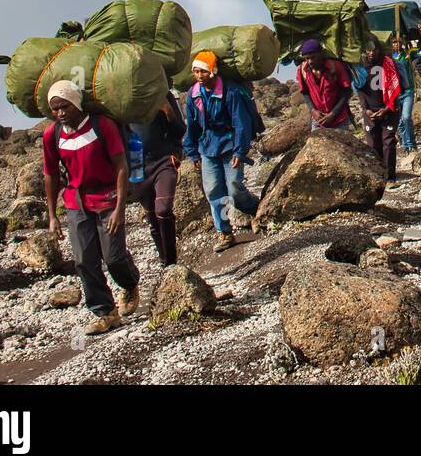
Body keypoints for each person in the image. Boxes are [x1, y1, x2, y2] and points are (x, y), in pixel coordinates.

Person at [41, 80, 139, 336]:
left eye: (65, 107)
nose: (61, 113)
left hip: (107, 199)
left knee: (114, 257)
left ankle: (130, 283)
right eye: (55, 109)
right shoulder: (53, 135)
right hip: (76, 202)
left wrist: (119, 206)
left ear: (77, 103)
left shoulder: (102, 125)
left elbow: (121, 166)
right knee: (84, 260)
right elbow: (50, 175)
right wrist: (52, 216)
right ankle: (105, 312)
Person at [182, 51, 261, 254]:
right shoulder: (193, 94)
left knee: (234, 187)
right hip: (207, 148)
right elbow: (191, 125)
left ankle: (255, 210)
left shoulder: (230, 91)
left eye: (203, 71)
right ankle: (225, 232)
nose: (199, 75)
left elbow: (240, 122)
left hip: (229, 145)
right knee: (214, 192)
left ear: (213, 71)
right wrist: (191, 152)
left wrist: (239, 150)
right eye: (196, 71)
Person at [128, 92, 186, 266]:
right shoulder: (119, 102)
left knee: (163, 210)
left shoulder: (161, 93)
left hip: (163, 160)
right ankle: (164, 261)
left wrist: (168, 111)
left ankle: (171, 262)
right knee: (152, 217)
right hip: (137, 165)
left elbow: (180, 131)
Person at [353, 43, 403, 180]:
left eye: (374, 50)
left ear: (379, 49)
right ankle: (378, 175)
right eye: (368, 50)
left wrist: (386, 109)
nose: (371, 53)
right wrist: (366, 109)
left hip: (389, 109)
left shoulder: (390, 64)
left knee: (388, 142)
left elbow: (397, 88)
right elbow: (359, 90)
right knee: (373, 144)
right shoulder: (361, 67)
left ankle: (390, 176)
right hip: (370, 111)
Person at [295, 39, 354, 130]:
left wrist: (333, 113)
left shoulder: (335, 67)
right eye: (307, 58)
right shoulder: (302, 70)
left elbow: (346, 91)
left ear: (321, 54)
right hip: (318, 121)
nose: (310, 61)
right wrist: (313, 110)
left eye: (313, 57)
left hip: (339, 120)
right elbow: (305, 92)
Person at [390, 35, 418, 160]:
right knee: (400, 121)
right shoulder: (389, 58)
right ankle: (406, 146)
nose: (396, 44)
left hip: (407, 91)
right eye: (394, 42)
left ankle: (411, 143)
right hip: (396, 93)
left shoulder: (407, 54)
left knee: (406, 117)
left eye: (398, 42)